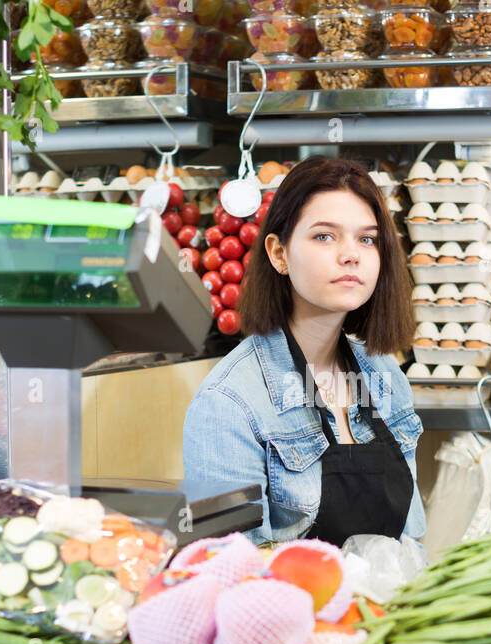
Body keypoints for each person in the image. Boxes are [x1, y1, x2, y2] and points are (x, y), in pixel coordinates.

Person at [182, 157, 426, 547]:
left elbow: (410, 541)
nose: (352, 255)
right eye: (325, 237)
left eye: (367, 239)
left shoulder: (386, 377)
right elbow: (228, 571)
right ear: (279, 254)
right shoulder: (229, 403)